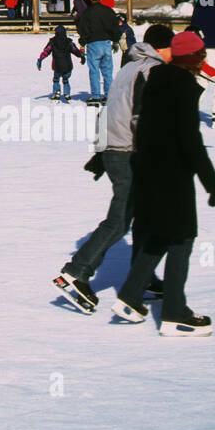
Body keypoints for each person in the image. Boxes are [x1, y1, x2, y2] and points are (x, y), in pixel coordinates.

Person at [53, 24, 175, 313]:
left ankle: (141, 277)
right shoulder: (150, 71)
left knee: (142, 215)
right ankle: (75, 272)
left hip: (116, 147)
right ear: (161, 48)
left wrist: (101, 149)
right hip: (127, 151)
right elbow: (140, 118)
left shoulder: (131, 67)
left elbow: (110, 108)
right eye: (172, 48)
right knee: (121, 218)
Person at [112, 32, 215, 335]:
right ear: (188, 57)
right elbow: (190, 140)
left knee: (160, 237)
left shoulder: (158, 79)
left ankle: (130, 297)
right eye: (200, 55)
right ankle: (174, 313)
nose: (204, 59)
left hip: (148, 168)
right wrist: (211, 182)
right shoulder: (184, 87)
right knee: (182, 240)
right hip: (172, 174)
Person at [75, 0, 121, 105]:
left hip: (93, 43)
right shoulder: (108, 11)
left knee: (94, 71)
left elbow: (82, 28)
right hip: (106, 43)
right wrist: (115, 41)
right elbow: (115, 26)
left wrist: (82, 42)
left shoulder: (86, 13)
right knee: (107, 71)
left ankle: (95, 95)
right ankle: (108, 95)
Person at [37, 24, 85, 101]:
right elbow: (75, 51)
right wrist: (81, 56)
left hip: (57, 66)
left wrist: (40, 59)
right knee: (65, 80)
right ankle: (67, 93)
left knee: (56, 79)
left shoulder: (52, 42)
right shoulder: (69, 42)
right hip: (68, 66)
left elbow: (46, 51)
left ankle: (56, 92)